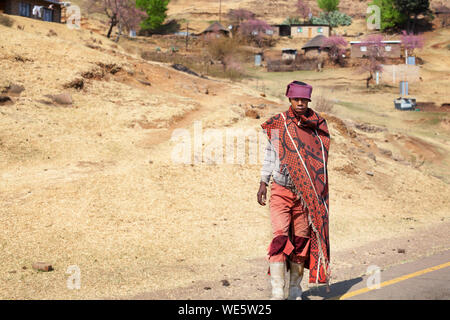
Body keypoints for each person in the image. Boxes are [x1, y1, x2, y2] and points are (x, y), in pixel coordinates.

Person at [257, 81, 331, 300]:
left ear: (308, 100)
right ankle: (278, 291)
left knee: (300, 240)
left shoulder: (316, 126)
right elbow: (270, 154)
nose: (300, 103)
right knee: (280, 237)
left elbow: (320, 160)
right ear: (289, 99)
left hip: (305, 197)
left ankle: (295, 289)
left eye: (304, 100)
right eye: (296, 99)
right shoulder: (279, 124)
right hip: (280, 189)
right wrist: (263, 181)